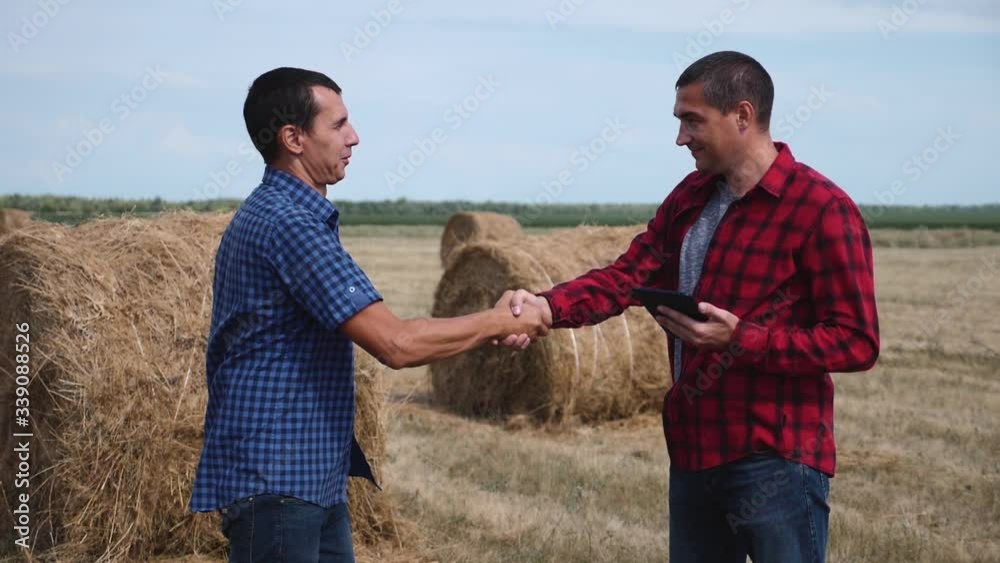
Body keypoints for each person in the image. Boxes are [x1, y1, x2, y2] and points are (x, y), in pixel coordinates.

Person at [499, 51, 879, 563]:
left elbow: (857, 341)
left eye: (691, 120)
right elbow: (626, 276)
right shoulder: (692, 196)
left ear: (742, 116)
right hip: (694, 450)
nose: (681, 138)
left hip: (775, 461)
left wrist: (741, 339)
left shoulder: (822, 210)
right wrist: (545, 306)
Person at [189, 67, 548, 563]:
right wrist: (500, 321)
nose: (353, 137)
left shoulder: (285, 214)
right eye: (338, 125)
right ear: (292, 138)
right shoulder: (288, 223)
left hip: (310, 472)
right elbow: (396, 343)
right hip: (277, 479)